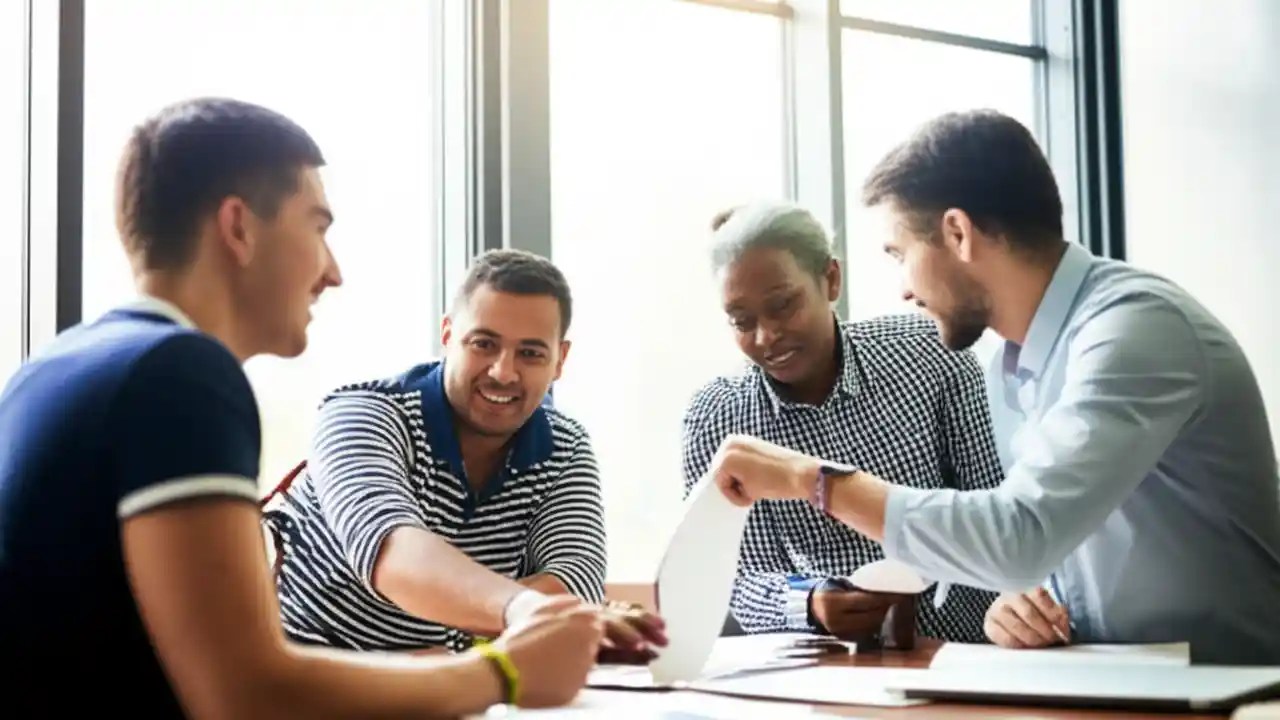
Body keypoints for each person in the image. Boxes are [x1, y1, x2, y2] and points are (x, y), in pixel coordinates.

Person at [0, 97, 602, 717]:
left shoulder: (51, 368)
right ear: (239, 228)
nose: (332, 271)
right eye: (318, 227)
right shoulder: (181, 375)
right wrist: (497, 673)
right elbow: (248, 694)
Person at [704, 109, 1280, 665]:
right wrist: (1017, 604)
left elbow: (1020, 532)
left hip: (1234, 690)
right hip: (1121, 686)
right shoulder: (1012, 366)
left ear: (957, 232)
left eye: (900, 254)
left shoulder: (1133, 330)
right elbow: (1034, 552)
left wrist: (809, 478)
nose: (903, 288)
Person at [264, 248, 666, 661]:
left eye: (530, 353)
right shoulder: (360, 414)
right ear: (447, 335)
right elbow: (394, 557)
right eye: (484, 344)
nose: (503, 372)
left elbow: (574, 581)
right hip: (311, 679)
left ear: (559, 361)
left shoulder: (565, 447)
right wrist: (521, 612)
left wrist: (469, 655)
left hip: (455, 683)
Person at [681, 202, 1002, 643]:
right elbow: (732, 576)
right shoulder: (718, 416)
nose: (765, 336)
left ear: (831, 279)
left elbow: (997, 513)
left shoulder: (932, 355)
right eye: (742, 321)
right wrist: (809, 601)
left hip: (967, 652)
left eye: (783, 305)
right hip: (826, 672)